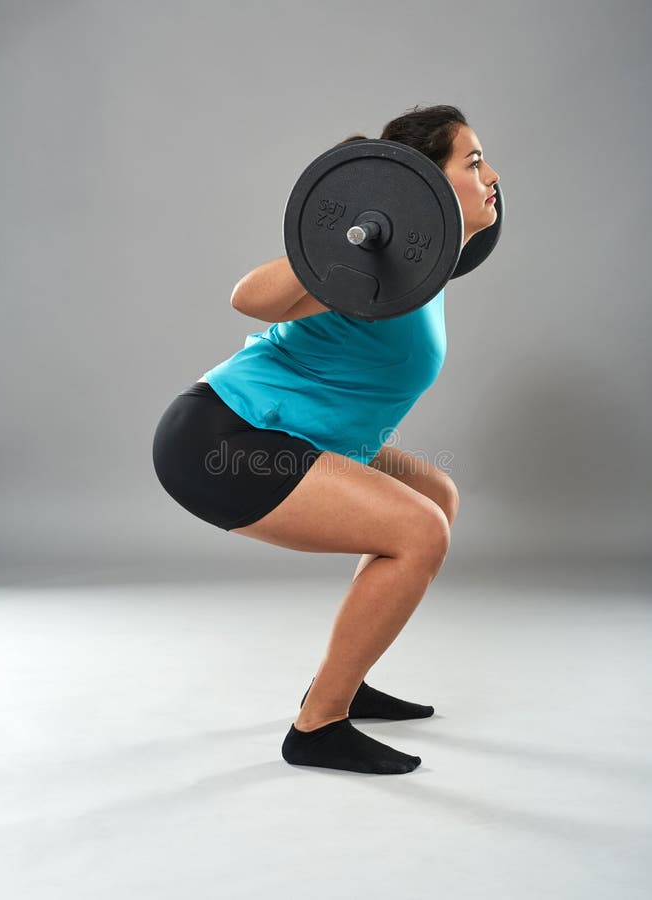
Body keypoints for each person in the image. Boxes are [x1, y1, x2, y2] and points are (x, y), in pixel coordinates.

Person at [152, 104, 500, 775]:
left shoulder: (417, 269)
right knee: (419, 532)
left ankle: (344, 679)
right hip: (224, 434)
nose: (492, 176)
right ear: (423, 181)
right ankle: (317, 727)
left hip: (294, 435)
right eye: (474, 161)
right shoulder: (365, 264)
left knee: (435, 494)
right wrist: (353, 236)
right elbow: (247, 297)